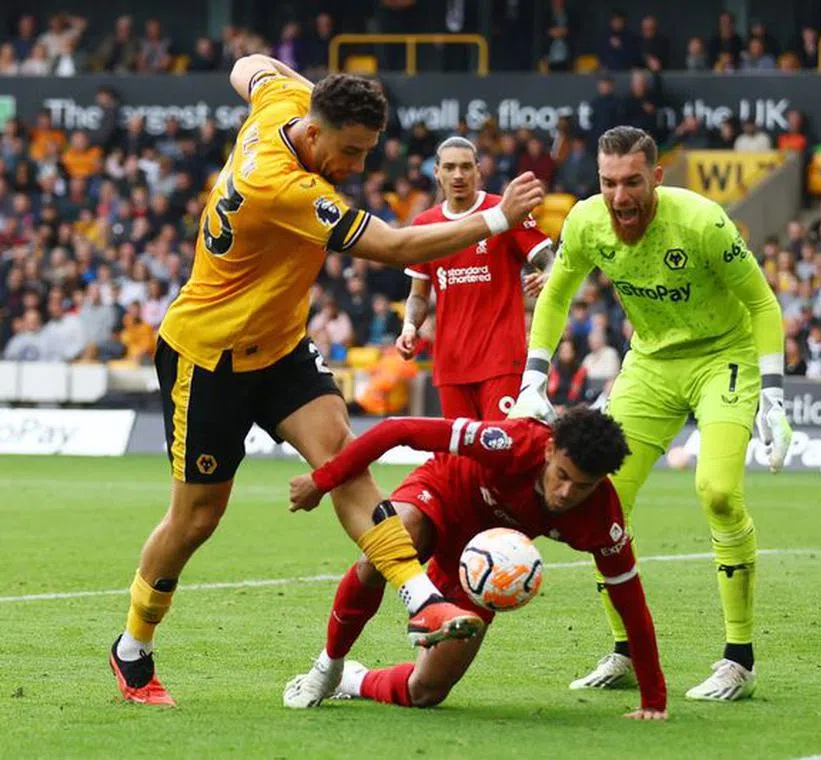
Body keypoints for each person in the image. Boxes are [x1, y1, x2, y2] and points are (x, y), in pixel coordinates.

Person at [108, 54, 545, 706]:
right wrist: (498, 219)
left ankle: (418, 595)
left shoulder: (287, 100)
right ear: (316, 136)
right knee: (196, 518)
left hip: (281, 346)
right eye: (351, 151)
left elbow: (249, 65)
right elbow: (396, 248)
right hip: (210, 358)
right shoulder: (282, 187)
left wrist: (312, 90)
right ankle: (133, 647)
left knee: (340, 456)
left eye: (367, 150)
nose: (360, 166)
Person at [512, 126, 792, 701]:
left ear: (656, 178)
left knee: (717, 492)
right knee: (598, 497)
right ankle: (626, 652)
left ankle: (738, 659)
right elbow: (558, 292)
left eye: (632, 182)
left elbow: (763, 303)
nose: (620, 196)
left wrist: (776, 392)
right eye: (609, 182)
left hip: (724, 359)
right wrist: (534, 378)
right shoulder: (587, 221)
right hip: (650, 364)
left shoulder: (702, 221)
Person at [282, 407, 667, 720]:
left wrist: (654, 700)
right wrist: (323, 479)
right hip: (441, 496)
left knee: (426, 691)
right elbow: (399, 429)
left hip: (484, 567)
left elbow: (630, 601)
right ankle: (328, 664)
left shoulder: (601, 518)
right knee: (383, 551)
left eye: (582, 486)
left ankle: (353, 680)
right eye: (561, 476)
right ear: (549, 451)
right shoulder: (514, 443)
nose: (566, 493)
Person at [397, 137, 553, 420]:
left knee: (500, 451)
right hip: (450, 364)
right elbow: (419, 295)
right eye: (450, 167)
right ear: (437, 172)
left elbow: (548, 258)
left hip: (501, 360)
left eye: (466, 167)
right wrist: (409, 326)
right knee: (461, 461)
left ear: (478, 171)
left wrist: (549, 275)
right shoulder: (424, 225)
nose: (458, 175)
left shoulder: (504, 211)